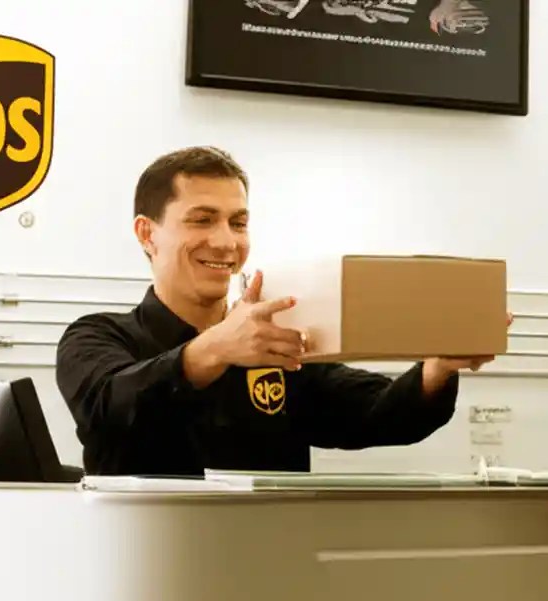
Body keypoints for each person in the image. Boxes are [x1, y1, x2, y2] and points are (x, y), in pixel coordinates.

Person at [56, 146, 503, 477]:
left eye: (238, 223)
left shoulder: (276, 343)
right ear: (146, 234)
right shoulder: (96, 337)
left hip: (273, 560)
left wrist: (438, 367)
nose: (227, 242)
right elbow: (111, 408)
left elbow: (377, 414)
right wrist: (217, 348)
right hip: (148, 565)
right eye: (202, 219)